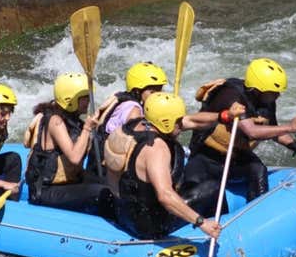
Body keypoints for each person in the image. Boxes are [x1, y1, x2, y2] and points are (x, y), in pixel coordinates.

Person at [104, 92, 244, 240]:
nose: (181, 123)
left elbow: (192, 121)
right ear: (166, 122)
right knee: (212, 187)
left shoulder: (133, 125)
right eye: (178, 120)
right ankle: (225, 233)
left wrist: (224, 116)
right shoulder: (156, 149)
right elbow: (165, 196)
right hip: (149, 224)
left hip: (123, 211)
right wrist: (201, 222)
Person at [185, 57, 296, 202]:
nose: (277, 96)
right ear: (256, 90)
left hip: (236, 159)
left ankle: (259, 209)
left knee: (258, 169)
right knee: (198, 194)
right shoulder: (230, 94)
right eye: (273, 92)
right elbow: (251, 131)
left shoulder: (267, 102)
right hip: (205, 158)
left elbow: (273, 132)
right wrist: (290, 127)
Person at [23, 72, 113, 216]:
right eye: (83, 98)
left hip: (70, 183)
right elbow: (75, 158)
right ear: (69, 99)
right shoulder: (55, 121)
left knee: (112, 186)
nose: (88, 101)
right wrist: (87, 128)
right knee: (102, 193)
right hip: (46, 190)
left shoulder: (73, 120)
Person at [86, 61, 168, 175]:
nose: (158, 95)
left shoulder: (122, 98)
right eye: (153, 91)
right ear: (137, 91)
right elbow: (135, 147)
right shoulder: (134, 111)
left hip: (97, 162)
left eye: (160, 90)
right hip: (106, 171)